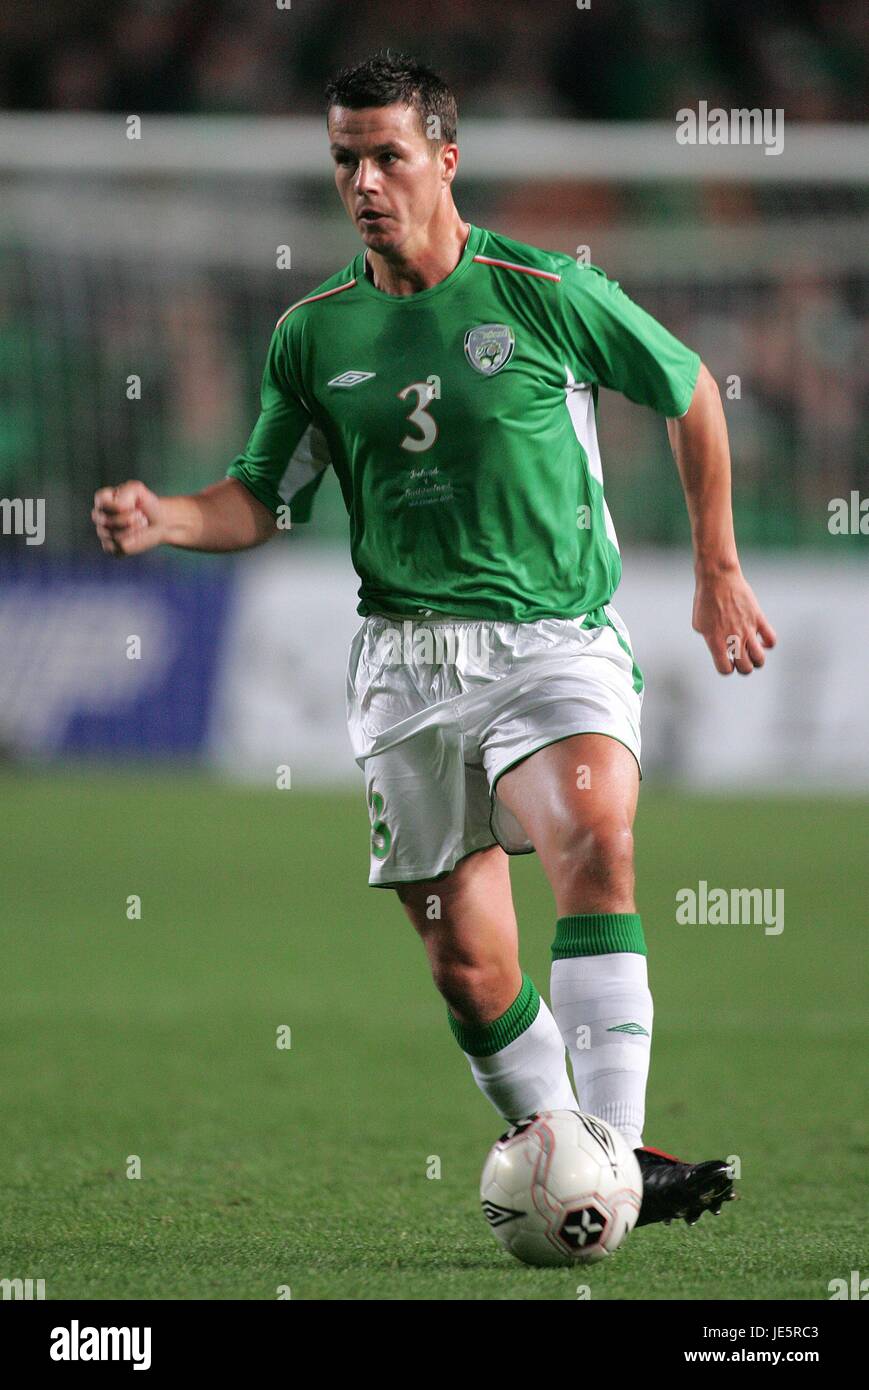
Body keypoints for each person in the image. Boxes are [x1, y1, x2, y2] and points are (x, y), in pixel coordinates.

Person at [93, 51, 776, 1229]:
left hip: (549, 638)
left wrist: (716, 567)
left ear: (444, 162)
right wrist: (169, 518)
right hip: (404, 666)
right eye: (343, 159)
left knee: (595, 836)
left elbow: (688, 392)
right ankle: (567, 1146)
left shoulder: (540, 286)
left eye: (386, 155)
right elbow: (262, 498)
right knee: (468, 968)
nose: (362, 180)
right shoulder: (312, 334)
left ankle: (618, 1150)